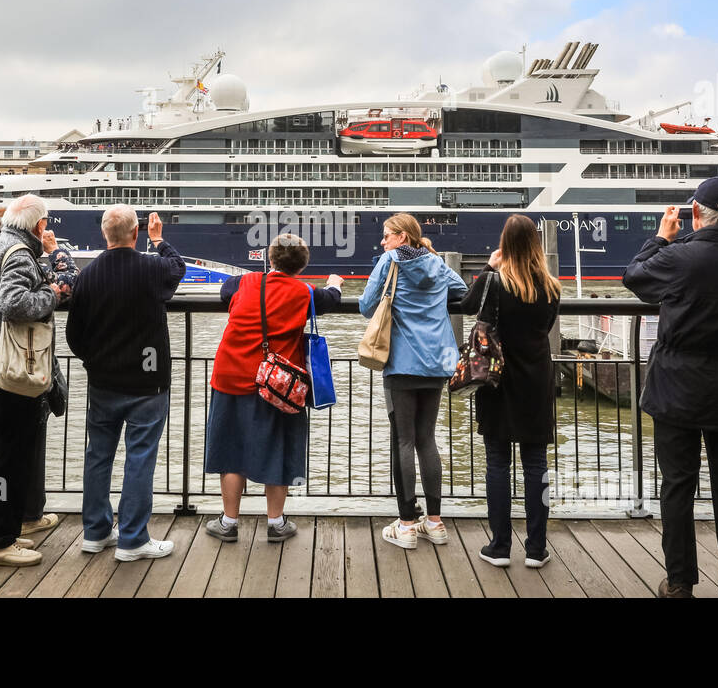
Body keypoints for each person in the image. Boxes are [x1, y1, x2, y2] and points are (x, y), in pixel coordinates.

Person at [622, 177, 718, 598]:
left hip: (677, 390)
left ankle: (680, 582)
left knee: (678, 485)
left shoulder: (680, 256)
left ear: (694, 215)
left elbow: (634, 279)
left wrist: (660, 239)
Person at [203, 234, 343, 543]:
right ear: (302, 266)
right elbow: (330, 299)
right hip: (278, 384)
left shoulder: (246, 282)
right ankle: (276, 522)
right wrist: (334, 283)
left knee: (231, 448)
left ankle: (228, 522)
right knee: (278, 448)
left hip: (230, 373)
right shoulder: (305, 293)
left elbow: (226, 293)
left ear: (270, 259)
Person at [65, 206, 184, 561]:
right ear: (136, 234)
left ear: (105, 235)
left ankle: (96, 532)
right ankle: (133, 538)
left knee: (98, 456)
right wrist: (159, 240)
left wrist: (95, 361)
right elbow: (179, 267)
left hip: (103, 382)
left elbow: (74, 335)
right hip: (148, 384)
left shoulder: (87, 275)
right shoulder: (152, 268)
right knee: (139, 458)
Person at [0, 208, 76, 553]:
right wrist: (51, 294)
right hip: (11, 371)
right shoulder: (19, 254)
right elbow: (13, 302)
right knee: (9, 456)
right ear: (39, 225)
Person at [359, 212, 466, 549]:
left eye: (387, 235)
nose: (383, 241)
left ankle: (406, 525)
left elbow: (365, 306)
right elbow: (461, 290)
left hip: (401, 363)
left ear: (402, 237)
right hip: (436, 362)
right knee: (426, 440)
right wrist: (432, 303)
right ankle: (434, 523)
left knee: (403, 441)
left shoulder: (390, 260)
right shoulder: (435, 262)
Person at [459, 214, 561, 569]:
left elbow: (467, 306)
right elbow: (546, 327)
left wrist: (489, 266)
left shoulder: (495, 282)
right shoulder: (551, 286)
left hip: (497, 379)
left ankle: (500, 546)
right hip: (536, 377)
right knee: (536, 463)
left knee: (497, 463)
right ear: (535, 244)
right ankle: (536, 548)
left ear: (505, 245)